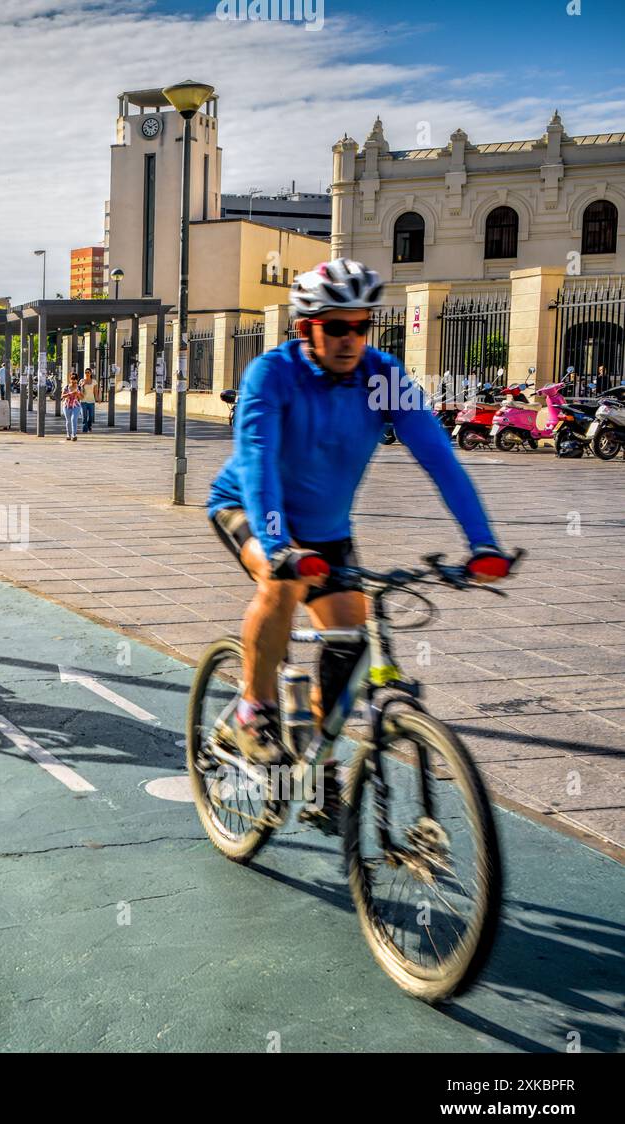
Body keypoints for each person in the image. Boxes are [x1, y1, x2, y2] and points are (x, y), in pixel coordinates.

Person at [204, 258, 515, 830]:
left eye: (361, 325)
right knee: (283, 581)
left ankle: (314, 757)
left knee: (350, 636)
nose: (352, 339)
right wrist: (277, 545)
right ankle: (252, 709)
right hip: (249, 508)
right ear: (306, 329)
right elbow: (258, 465)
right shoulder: (271, 376)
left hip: (327, 531)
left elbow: (441, 460)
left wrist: (483, 545)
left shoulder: (383, 377)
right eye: (336, 327)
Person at [62, 372, 82, 440]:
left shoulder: (79, 387)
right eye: (72, 379)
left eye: (75, 379)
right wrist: (70, 393)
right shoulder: (67, 387)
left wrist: (78, 394)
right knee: (68, 421)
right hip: (66, 406)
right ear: (70, 379)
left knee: (74, 420)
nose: (73, 380)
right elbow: (63, 396)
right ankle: (68, 434)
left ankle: (74, 435)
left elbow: (81, 397)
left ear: (77, 379)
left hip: (76, 406)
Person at [80, 367, 98, 432]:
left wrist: (97, 399)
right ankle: (85, 429)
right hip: (83, 401)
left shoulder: (94, 381)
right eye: (86, 372)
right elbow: (80, 391)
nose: (87, 374)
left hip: (91, 401)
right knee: (84, 416)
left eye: (88, 372)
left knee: (91, 416)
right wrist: (82, 385)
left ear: (90, 373)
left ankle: (89, 425)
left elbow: (95, 391)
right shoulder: (82, 381)